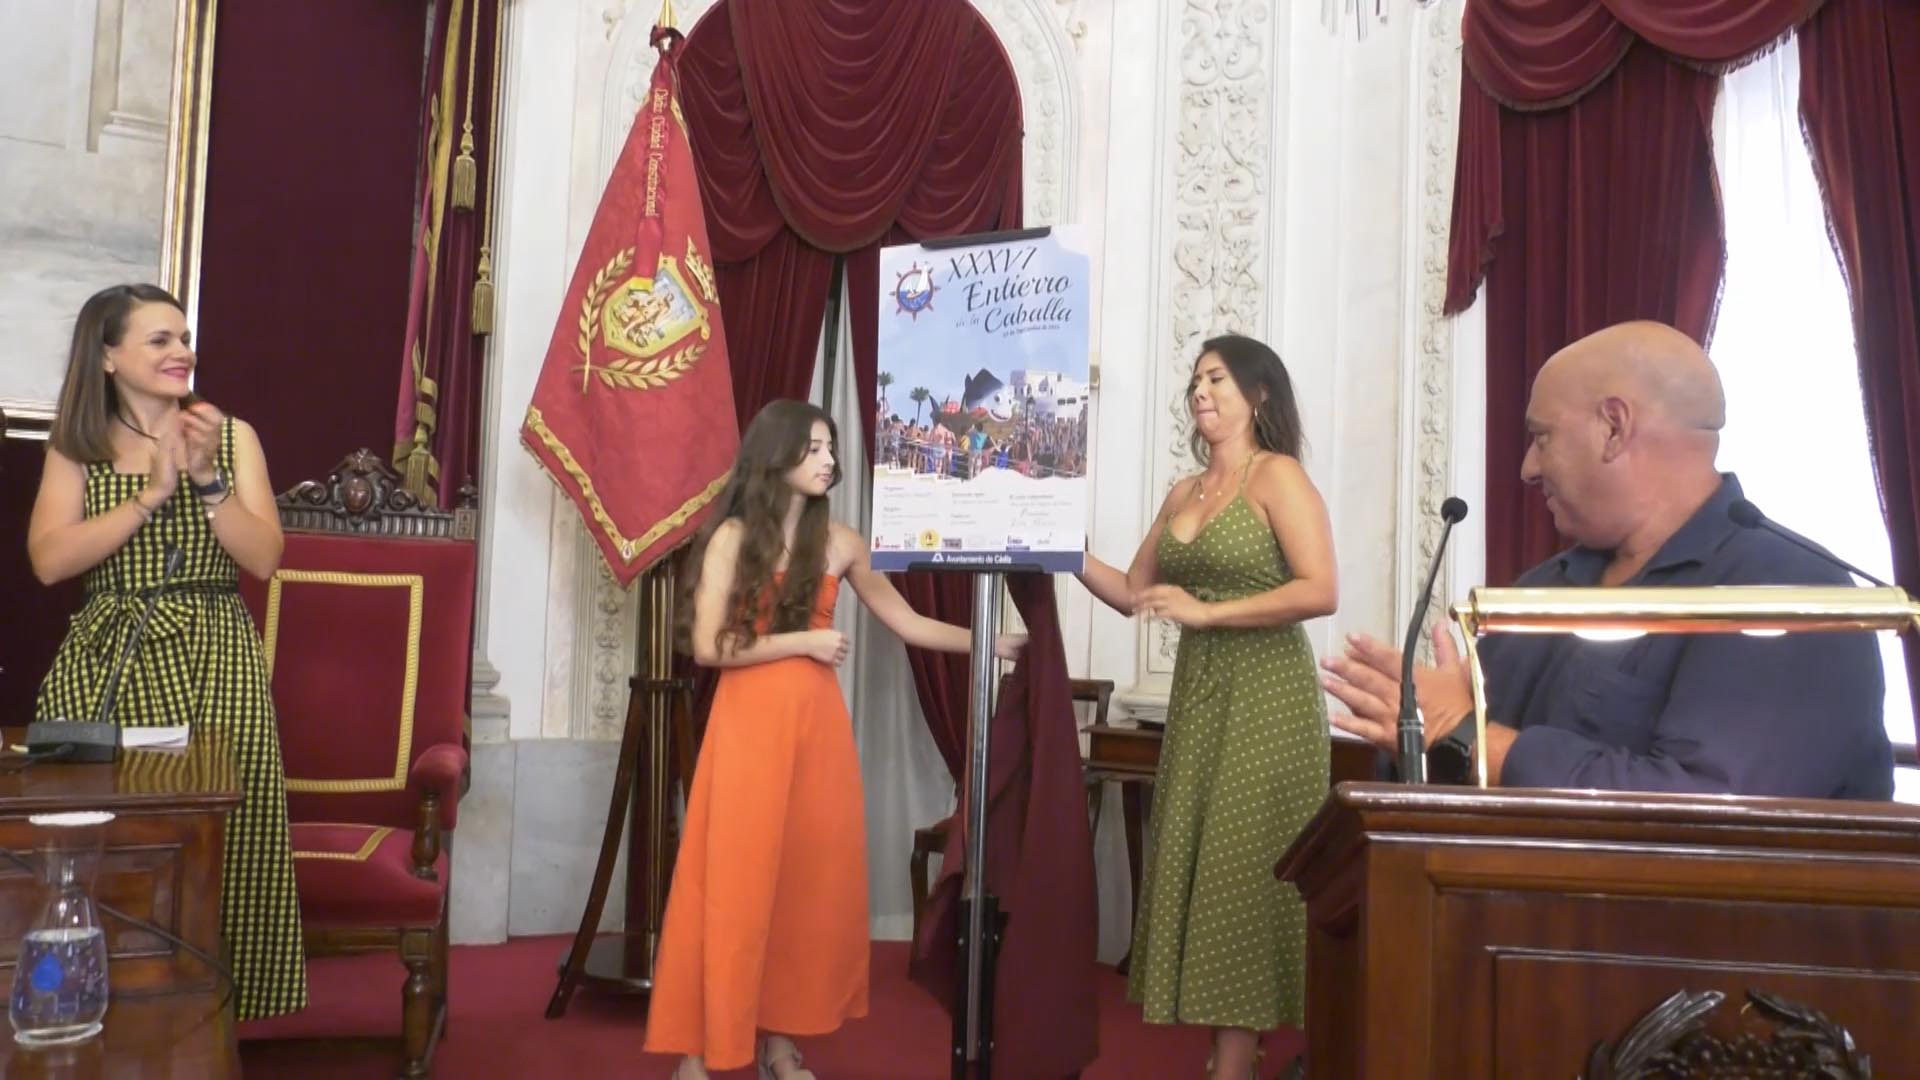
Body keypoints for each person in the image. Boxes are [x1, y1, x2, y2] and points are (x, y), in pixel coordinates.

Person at [1322, 320, 1894, 798]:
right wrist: (1419, 738)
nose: (1527, 468)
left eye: (1541, 437)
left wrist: (1467, 733)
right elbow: (1449, 775)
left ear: (1614, 427)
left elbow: (1707, 809)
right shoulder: (1541, 592)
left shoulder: (1789, 593)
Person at [643, 399, 1026, 1080]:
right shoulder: (732, 536)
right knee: (731, 888)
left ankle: (780, 1046)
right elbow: (708, 647)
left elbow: (907, 622)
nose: (828, 461)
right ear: (776, 454)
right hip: (747, 731)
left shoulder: (843, 541)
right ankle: (699, 1052)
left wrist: (992, 643)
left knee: (804, 891)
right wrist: (805, 640)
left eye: (830, 449)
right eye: (814, 448)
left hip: (816, 734)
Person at [27, 283, 306, 1020]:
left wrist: (208, 479)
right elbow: (50, 561)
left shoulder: (230, 434)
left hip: (216, 653)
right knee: (105, 842)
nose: (182, 351)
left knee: (225, 841)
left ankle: (214, 1024)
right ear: (109, 355)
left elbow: (266, 556)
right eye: (160, 339)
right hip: (107, 658)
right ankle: (100, 1014)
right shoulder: (76, 443)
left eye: (184, 337)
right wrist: (148, 496)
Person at [1076, 334, 1337, 1080]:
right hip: (1202, 696)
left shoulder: (1277, 476)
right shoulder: (1185, 492)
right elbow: (1133, 591)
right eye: (1194, 380)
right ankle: (1234, 1048)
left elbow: (1320, 590)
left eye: (1216, 378)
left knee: (1243, 872)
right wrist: (1060, 547)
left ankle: (1232, 1061)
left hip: (1268, 697)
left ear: (1258, 394)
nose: (1200, 391)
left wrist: (1209, 613)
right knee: (1198, 862)